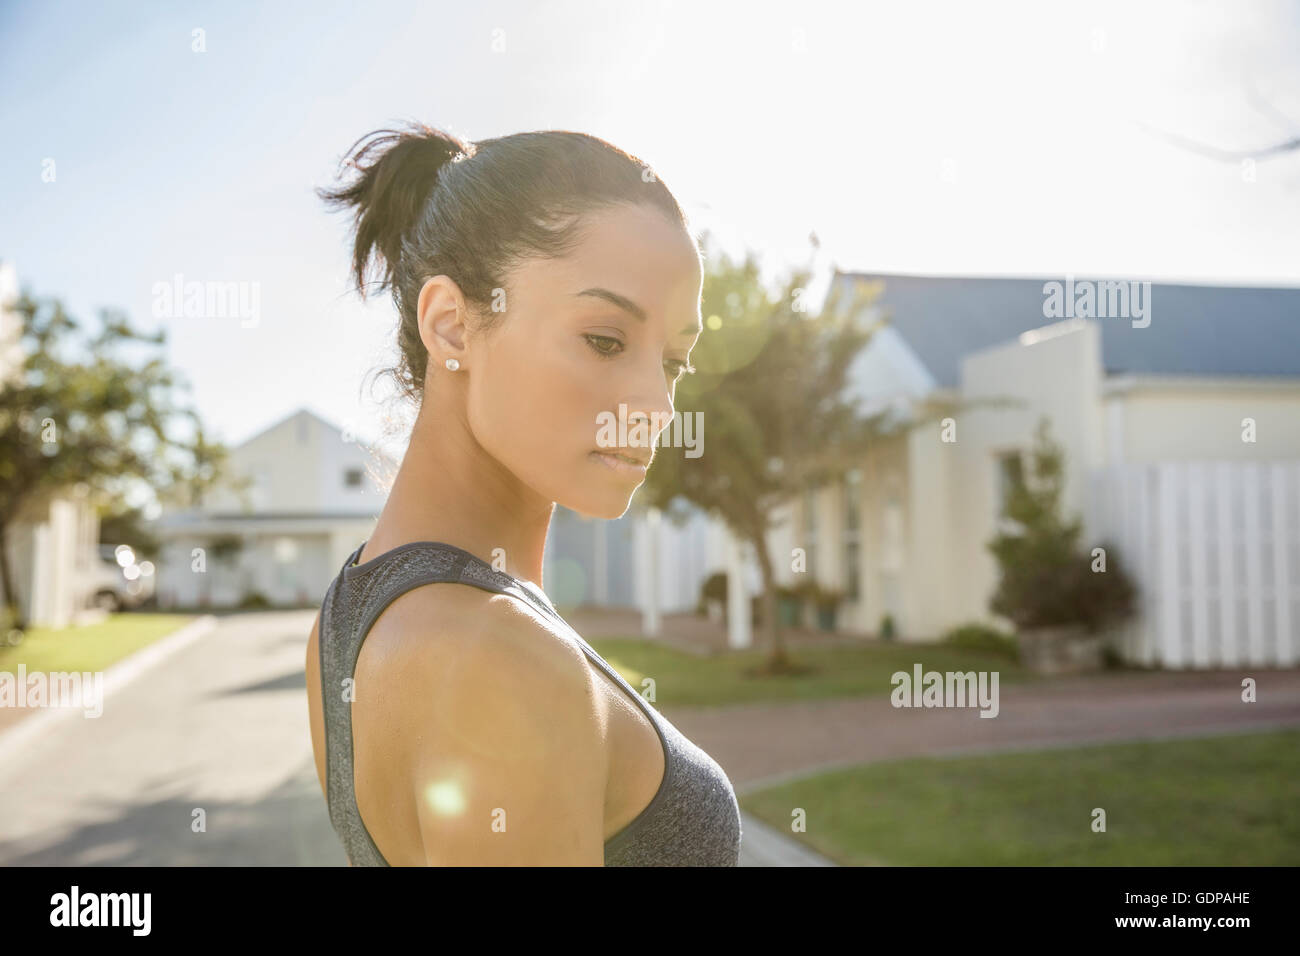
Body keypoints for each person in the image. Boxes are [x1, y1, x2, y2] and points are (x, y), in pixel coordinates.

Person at [304, 123, 742, 865]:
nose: (656, 407)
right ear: (452, 326)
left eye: (673, 362)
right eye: (605, 340)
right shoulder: (501, 658)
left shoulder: (348, 615)